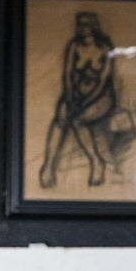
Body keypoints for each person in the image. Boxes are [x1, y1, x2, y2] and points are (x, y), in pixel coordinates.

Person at [39, 11, 119, 190]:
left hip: (100, 97)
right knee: (60, 119)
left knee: (77, 120)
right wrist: (70, 98)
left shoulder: (105, 48)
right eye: (80, 24)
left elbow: (103, 81)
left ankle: (96, 162)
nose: (82, 28)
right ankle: (48, 166)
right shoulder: (74, 46)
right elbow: (67, 75)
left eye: (86, 24)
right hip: (76, 95)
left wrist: (85, 102)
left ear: (94, 26)